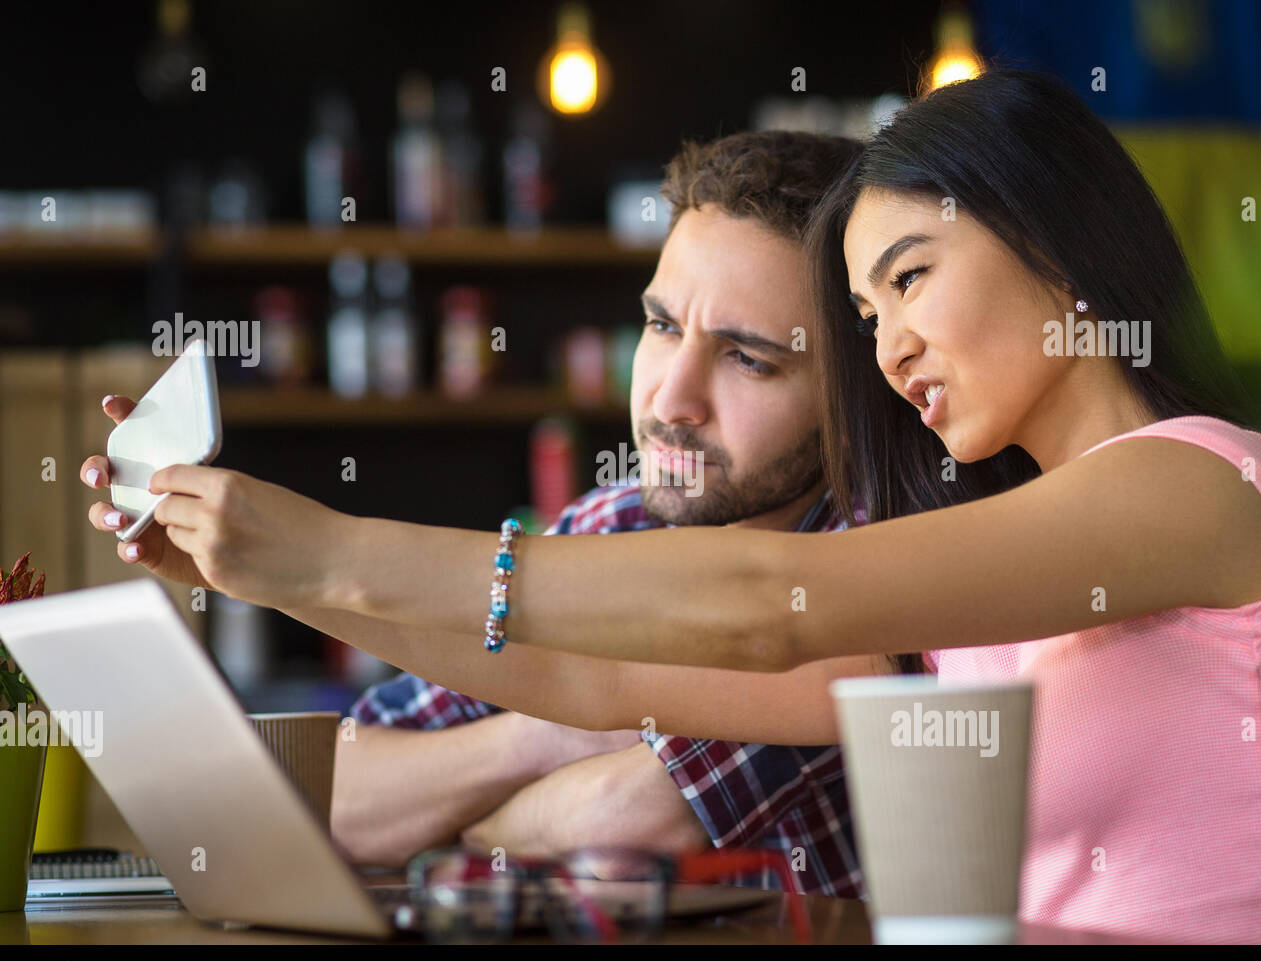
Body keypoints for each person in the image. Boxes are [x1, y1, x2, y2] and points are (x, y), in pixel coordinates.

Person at [83, 71, 1261, 943]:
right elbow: (596, 677)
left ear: (1057, 243)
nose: (890, 351)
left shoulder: (1199, 481)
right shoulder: (982, 585)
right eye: (868, 318)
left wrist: (339, 546)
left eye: (911, 278)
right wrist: (282, 574)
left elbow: (765, 605)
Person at [88, 131, 887, 899]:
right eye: (662, 326)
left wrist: (448, 830)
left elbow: (626, 823)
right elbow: (327, 796)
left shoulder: (881, 569)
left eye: (748, 358)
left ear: (856, 393)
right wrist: (544, 737)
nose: (670, 400)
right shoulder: (615, 521)